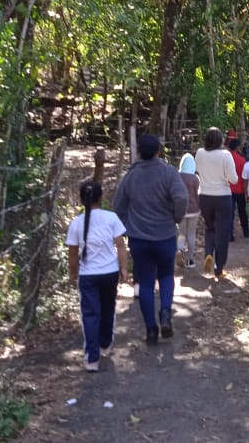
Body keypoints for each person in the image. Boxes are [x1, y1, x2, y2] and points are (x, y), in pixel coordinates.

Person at [113, 134, 188, 345]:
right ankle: (165, 312)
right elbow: (181, 197)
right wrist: (176, 216)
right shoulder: (169, 172)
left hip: (139, 238)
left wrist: (127, 224)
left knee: (145, 282)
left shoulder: (131, 176)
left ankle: (151, 330)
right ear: (158, 151)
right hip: (164, 236)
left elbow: (118, 206)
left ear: (139, 153)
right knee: (165, 276)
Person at [66, 179, 128, 372]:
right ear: (101, 197)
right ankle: (105, 343)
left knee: (90, 314)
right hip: (110, 272)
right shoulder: (111, 218)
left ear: (81, 199)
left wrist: (73, 273)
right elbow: (120, 245)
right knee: (108, 308)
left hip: (88, 276)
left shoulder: (76, 224)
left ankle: (92, 358)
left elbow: (73, 253)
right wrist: (124, 268)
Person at [195, 127, 237, 280]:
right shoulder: (225, 155)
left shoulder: (199, 153)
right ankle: (219, 268)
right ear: (221, 140)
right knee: (223, 232)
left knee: (210, 228)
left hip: (205, 195)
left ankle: (208, 254)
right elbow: (234, 179)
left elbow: (197, 171)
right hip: (223, 197)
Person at [178, 152, 201, 269]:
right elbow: (198, 195)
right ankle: (190, 260)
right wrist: (200, 206)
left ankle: (180, 252)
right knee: (191, 234)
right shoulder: (195, 178)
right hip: (193, 209)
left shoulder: (177, 176)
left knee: (181, 233)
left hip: (181, 209)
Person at [227, 137, 249, 240]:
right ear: (237, 147)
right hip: (240, 189)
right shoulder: (242, 160)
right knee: (242, 211)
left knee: (230, 213)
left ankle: (230, 234)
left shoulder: (226, 160)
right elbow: (245, 177)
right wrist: (247, 192)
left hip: (228, 190)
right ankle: (246, 231)